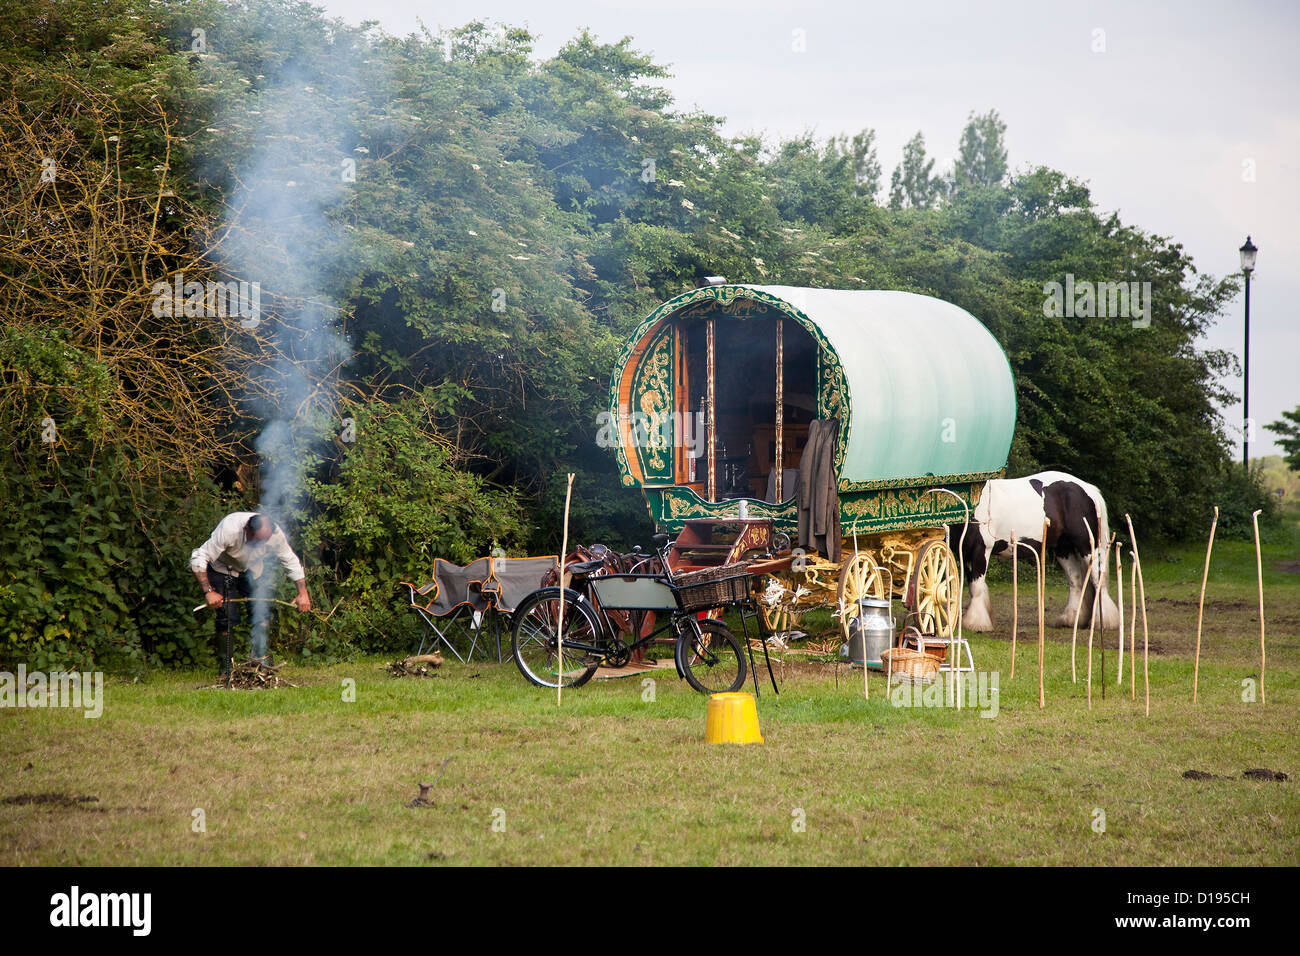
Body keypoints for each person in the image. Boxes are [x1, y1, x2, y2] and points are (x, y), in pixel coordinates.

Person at [189, 512, 311, 672]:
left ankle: (259, 661)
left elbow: (290, 561)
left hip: (252, 570)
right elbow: (199, 557)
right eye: (257, 540)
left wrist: (303, 593)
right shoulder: (230, 528)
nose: (261, 544)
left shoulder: (275, 534)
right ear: (247, 529)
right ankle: (226, 668)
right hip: (222, 569)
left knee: (261, 612)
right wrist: (209, 591)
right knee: (227, 616)